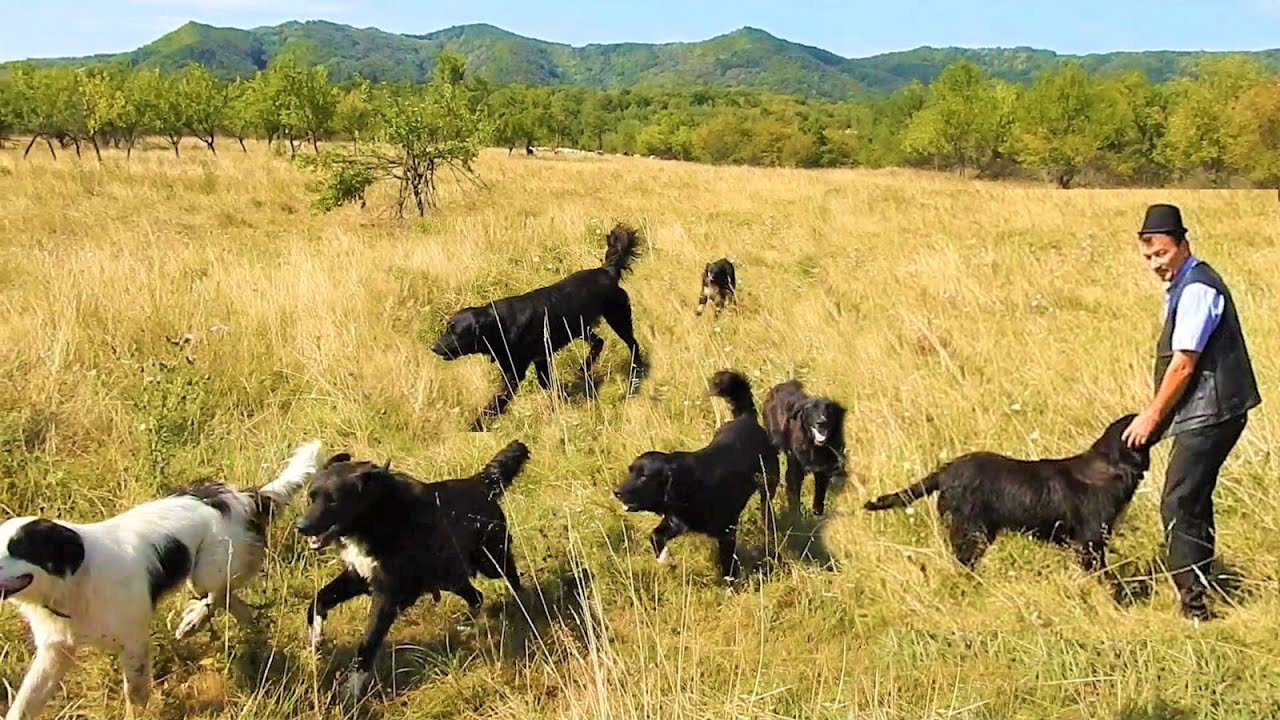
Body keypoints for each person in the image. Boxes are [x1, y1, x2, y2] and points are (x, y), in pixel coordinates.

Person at [1121, 203, 1262, 621]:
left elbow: (1184, 362)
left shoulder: (1198, 288)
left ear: (1183, 244)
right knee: (1194, 498)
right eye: (1148, 256)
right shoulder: (1184, 283)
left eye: (1161, 253)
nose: (1155, 264)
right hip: (1214, 410)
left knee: (1179, 501)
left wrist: (1152, 416)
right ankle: (1202, 583)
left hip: (1213, 412)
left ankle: (1195, 609)